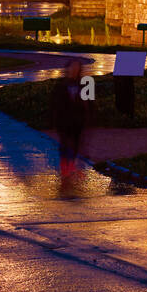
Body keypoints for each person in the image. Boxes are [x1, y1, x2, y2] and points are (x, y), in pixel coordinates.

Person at [50, 58, 91, 193]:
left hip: (78, 121)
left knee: (76, 144)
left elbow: (89, 104)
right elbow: (55, 105)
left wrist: (88, 118)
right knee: (65, 144)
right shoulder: (61, 86)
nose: (74, 71)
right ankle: (65, 169)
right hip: (64, 121)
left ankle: (71, 166)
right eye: (72, 68)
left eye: (76, 68)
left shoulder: (85, 84)